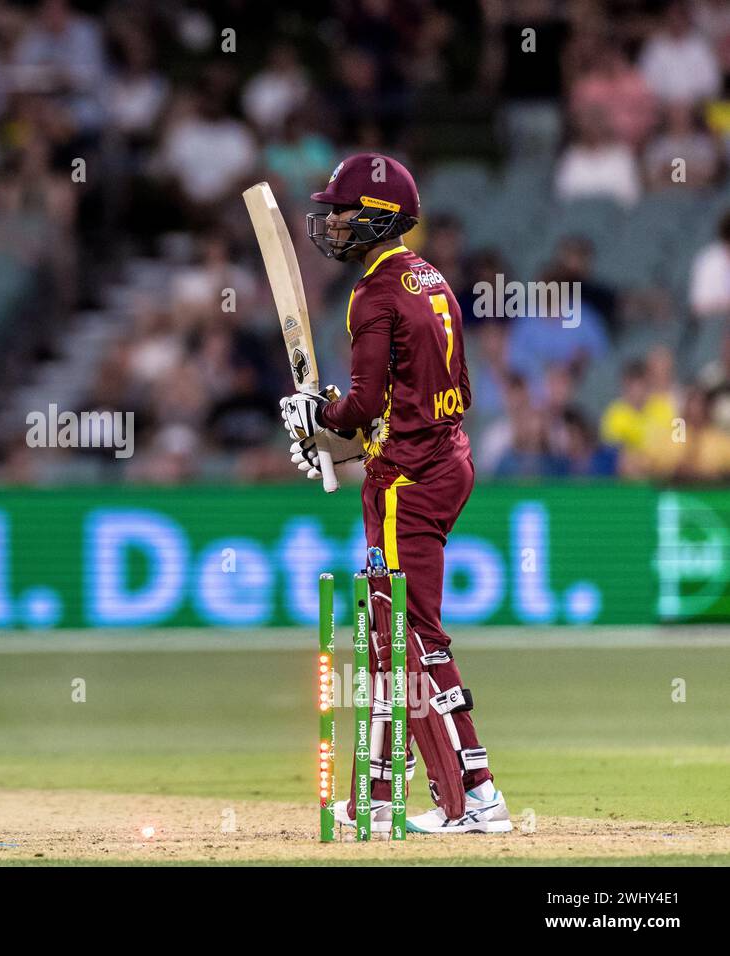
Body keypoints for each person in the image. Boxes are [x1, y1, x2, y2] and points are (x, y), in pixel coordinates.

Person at [280, 153, 511, 834]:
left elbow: (363, 405)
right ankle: (380, 798)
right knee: (390, 634)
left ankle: (474, 796)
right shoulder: (431, 275)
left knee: (412, 635)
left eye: (343, 210)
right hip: (445, 457)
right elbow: (425, 395)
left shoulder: (375, 294)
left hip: (405, 481)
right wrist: (348, 425)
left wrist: (318, 417)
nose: (333, 222)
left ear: (377, 218)